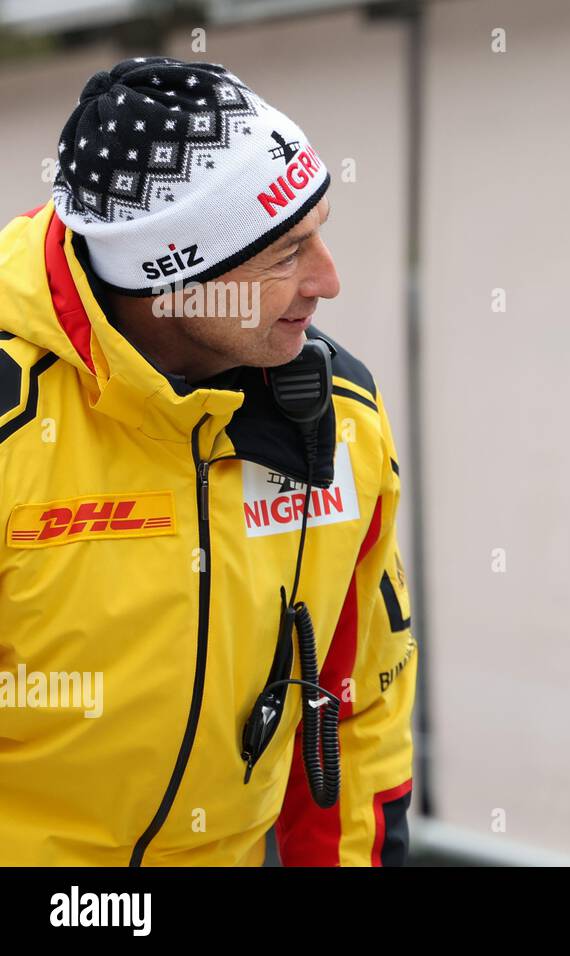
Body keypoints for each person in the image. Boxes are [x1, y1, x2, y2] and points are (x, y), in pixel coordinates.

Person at [0, 56, 417, 866]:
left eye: (319, 232)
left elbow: (358, 708)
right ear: (170, 280)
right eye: (284, 255)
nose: (328, 281)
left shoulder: (342, 415)